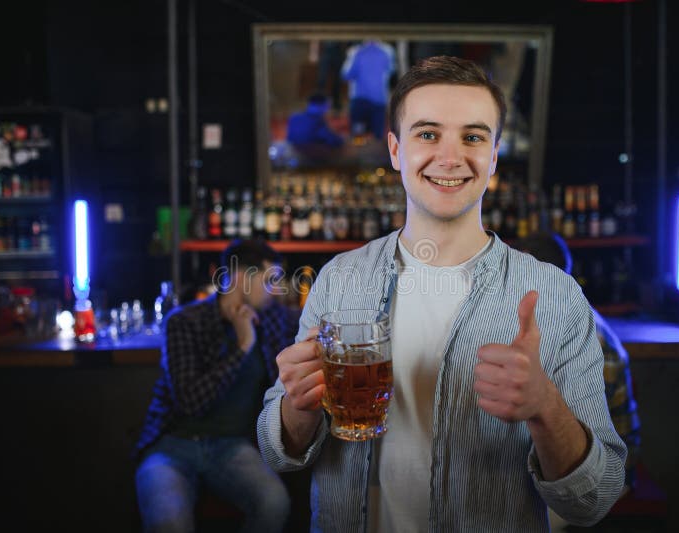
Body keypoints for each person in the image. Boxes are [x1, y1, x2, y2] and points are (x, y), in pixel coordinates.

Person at [257, 56, 627, 532]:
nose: (450, 158)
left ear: (494, 156)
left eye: (473, 137)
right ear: (396, 150)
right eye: (428, 134)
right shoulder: (339, 278)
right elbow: (278, 454)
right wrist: (297, 405)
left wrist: (545, 407)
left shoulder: (556, 296)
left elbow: (595, 499)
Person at [135, 240, 298, 533]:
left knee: (275, 503)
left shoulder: (272, 319)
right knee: (169, 522)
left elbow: (318, 322)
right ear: (241, 278)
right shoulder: (185, 321)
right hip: (173, 445)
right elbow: (190, 403)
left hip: (232, 446)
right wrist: (242, 346)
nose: (275, 290)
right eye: (269, 281)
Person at [514, 231, 642, 494]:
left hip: (602, 480)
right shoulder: (570, 316)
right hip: (595, 467)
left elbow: (567, 444)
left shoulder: (584, 339)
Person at [341, 40, 396, 139]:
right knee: (378, 137)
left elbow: (346, 75)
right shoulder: (388, 51)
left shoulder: (356, 51)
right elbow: (391, 70)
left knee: (358, 138)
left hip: (360, 101)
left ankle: (358, 147)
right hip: (379, 100)